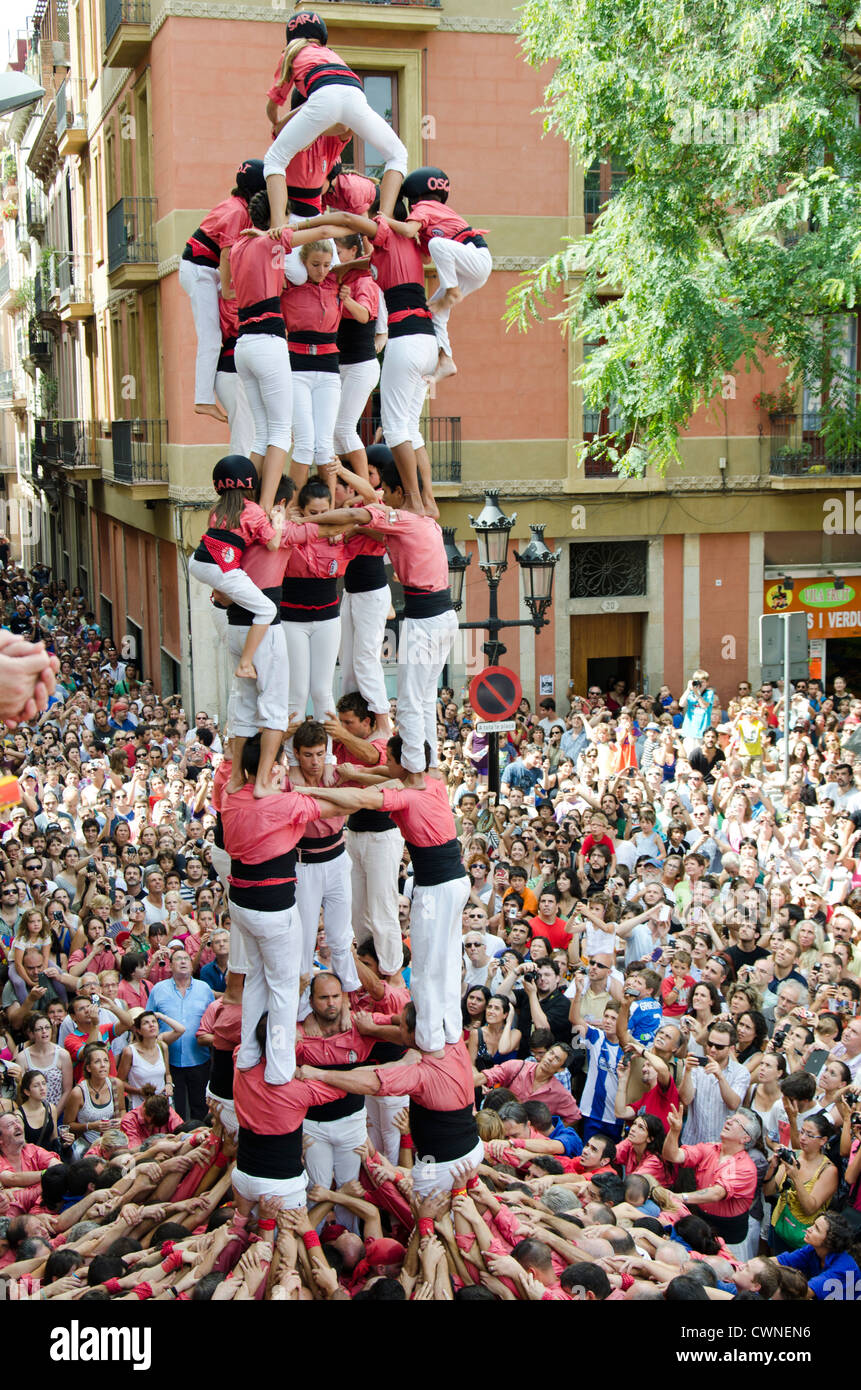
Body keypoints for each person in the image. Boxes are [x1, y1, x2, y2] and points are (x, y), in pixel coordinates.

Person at [294, 734, 469, 1054]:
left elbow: (356, 800)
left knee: (427, 966)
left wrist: (309, 790)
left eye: (390, 759)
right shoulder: (432, 781)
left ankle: (430, 1039)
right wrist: (355, 773)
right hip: (456, 882)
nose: (385, 765)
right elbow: (386, 775)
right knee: (447, 960)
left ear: (405, 762)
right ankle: (450, 1031)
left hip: (436, 890)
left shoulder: (407, 797)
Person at [305, 449, 457, 769]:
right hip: (441, 615)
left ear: (400, 492)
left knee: (411, 704)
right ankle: (427, 767)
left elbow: (357, 515)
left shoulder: (402, 519)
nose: (381, 497)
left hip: (425, 618)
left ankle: (415, 770)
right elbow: (367, 517)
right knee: (424, 700)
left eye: (386, 491)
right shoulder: (425, 518)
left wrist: (305, 522)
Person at [220, 732, 348, 1086]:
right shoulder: (282, 804)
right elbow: (339, 807)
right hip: (272, 907)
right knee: (283, 986)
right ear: (267, 768)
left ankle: (248, 1052)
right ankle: (280, 1067)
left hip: (242, 904)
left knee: (258, 977)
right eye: (277, 764)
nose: (282, 769)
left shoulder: (230, 796)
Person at [298, 1002, 483, 1196]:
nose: (398, 1030)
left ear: (417, 1033)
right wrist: (373, 1029)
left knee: (427, 1212)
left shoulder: (422, 1073)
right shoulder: (454, 1043)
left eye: (402, 1026)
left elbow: (372, 1083)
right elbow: (402, 1036)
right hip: (462, 1150)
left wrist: (322, 1075)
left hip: (440, 1165)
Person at [262, 10, 407, 231]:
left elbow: (273, 104)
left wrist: (276, 122)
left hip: (323, 93)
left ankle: (277, 227)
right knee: (397, 154)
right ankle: (384, 220)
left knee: (274, 160)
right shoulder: (331, 53)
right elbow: (342, 126)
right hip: (356, 93)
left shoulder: (291, 54)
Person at [179, 159, 267, 423]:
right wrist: (228, 290)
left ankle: (205, 397)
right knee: (210, 335)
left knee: (215, 331)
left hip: (204, 268)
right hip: (200, 268)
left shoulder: (236, 207)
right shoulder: (238, 213)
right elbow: (227, 255)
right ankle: (203, 400)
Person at [387, 167, 491, 386]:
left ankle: (452, 291)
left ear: (414, 199)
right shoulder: (434, 223)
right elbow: (426, 258)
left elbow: (407, 231)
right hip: (468, 270)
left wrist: (383, 220)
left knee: (437, 244)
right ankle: (446, 360)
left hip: (475, 257)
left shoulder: (426, 207)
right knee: (435, 312)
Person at [188, 455, 284, 679]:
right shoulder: (253, 510)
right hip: (220, 566)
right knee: (267, 609)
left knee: (232, 595)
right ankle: (245, 663)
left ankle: (223, 600)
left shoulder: (217, 510)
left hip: (199, 561)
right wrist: (279, 518)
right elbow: (273, 544)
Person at [289, 719, 361, 1013]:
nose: (314, 761)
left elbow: (353, 804)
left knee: (341, 935)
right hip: (304, 864)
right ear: (297, 753)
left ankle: (351, 999)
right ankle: (301, 1008)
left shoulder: (336, 774)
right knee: (304, 939)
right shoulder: (288, 779)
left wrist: (313, 794)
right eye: (308, 755)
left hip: (336, 858)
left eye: (320, 754)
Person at [662, 1103, 760, 1245]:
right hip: (703, 1222)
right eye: (730, 1118)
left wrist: (679, 1197)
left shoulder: (745, 1167)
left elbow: (716, 1193)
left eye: (736, 1122)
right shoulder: (709, 1149)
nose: (728, 1121)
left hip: (730, 1233)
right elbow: (673, 1156)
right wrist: (674, 1131)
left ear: (746, 1138)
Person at [332, 234, 381, 477]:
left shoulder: (364, 281)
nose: (334, 257)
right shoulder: (340, 277)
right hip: (342, 364)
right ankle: (343, 484)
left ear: (353, 251)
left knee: (344, 427)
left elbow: (364, 315)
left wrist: (346, 300)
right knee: (333, 430)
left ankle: (365, 486)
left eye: (338, 252)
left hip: (361, 366)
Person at [145, 950, 214, 1122]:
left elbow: (214, 1020)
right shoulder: (158, 989)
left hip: (199, 1058)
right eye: (178, 959)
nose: (183, 962)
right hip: (169, 1061)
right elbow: (148, 1019)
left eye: (186, 959)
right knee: (175, 1111)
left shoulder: (204, 989)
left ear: (192, 965)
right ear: (170, 965)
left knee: (200, 1107)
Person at [677, 1020, 750, 1144]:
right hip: (694, 1143)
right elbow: (685, 1100)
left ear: (731, 1049)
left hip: (722, 1145)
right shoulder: (695, 1066)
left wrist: (720, 1077)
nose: (713, 1049)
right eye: (710, 1044)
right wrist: (688, 1072)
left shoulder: (741, 1072)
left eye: (719, 1047)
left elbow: (733, 1104)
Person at [774, 1212, 861, 1300]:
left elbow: (804, 1293)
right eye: (813, 1225)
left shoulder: (844, 1268)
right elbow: (780, 1261)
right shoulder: (812, 1249)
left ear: (829, 1241)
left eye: (816, 1229)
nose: (808, 1229)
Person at [117, 1008, 184, 1109]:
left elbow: (167, 1074)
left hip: (163, 1106)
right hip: (140, 1107)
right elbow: (119, 1082)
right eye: (146, 1023)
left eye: (154, 1022)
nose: (151, 1025)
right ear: (138, 1030)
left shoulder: (162, 1047)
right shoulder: (130, 1051)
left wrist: (169, 1085)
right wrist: (139, 1091)